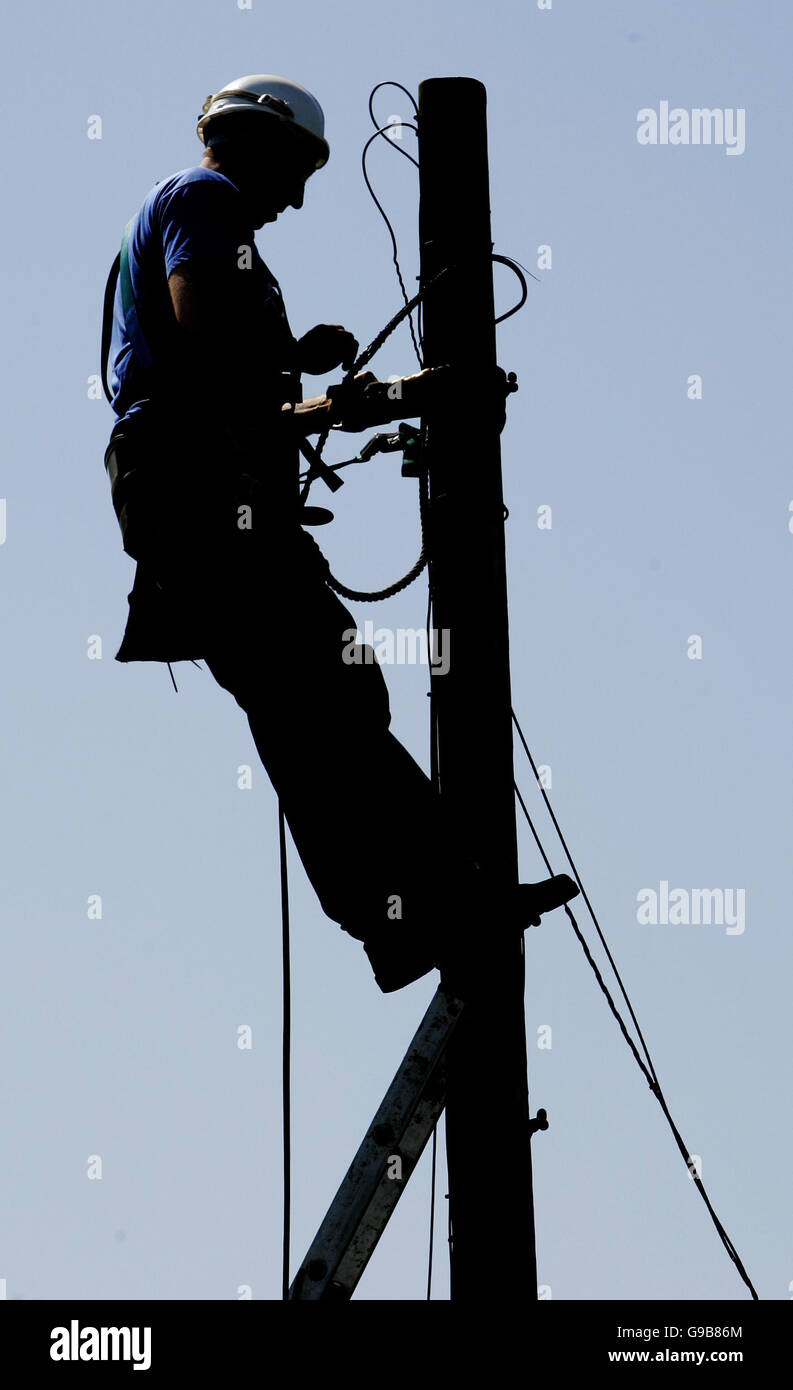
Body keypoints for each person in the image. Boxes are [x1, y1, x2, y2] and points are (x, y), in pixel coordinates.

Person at [102, 73, 533, 993]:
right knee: (321, 693)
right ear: (254, 142)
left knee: (316, 706)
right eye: (295, 170)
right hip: (191, 485)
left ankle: (404, 918)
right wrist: (287, 360)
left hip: (193, 487)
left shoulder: (208, 221)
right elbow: (201, 319)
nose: (295, 198)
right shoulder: (205, 197)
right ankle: (437, 897)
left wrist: (295, 386)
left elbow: (212, 370)